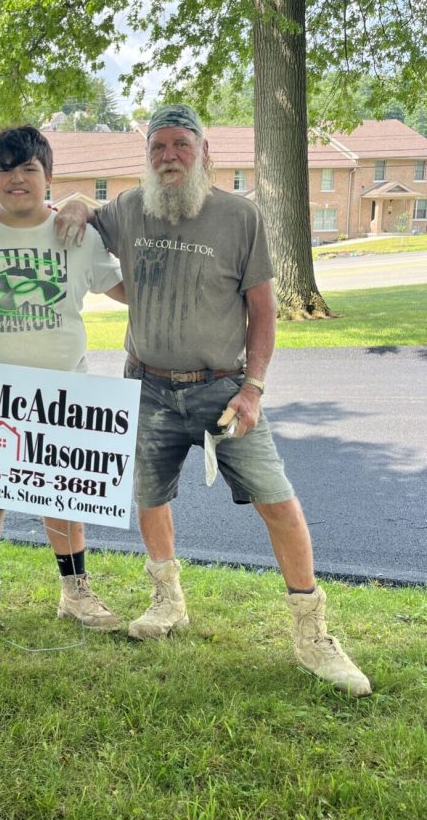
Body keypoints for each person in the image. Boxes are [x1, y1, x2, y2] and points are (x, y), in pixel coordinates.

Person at [54, 104, 371, 696]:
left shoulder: (239, 217)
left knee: (277, 500)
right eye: (157, 148)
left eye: (180, 145)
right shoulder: (128, 208)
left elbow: (263, 310)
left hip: (223, 390)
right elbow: (87, 218)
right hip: (144, 385)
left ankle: (312, 634)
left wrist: (254, 388)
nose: (168, 156)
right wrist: (75, 200)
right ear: (146, 158)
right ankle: (167, 600)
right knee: (149, 496)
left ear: (205, 153)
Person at [0, 125, 126, 635]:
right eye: (6, 169)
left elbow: (129, 288)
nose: (17, 179)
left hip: (63, 394)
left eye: (29, 169)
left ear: (49, 176)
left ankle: (75, 593)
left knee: (65, 494)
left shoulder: (78, 235)